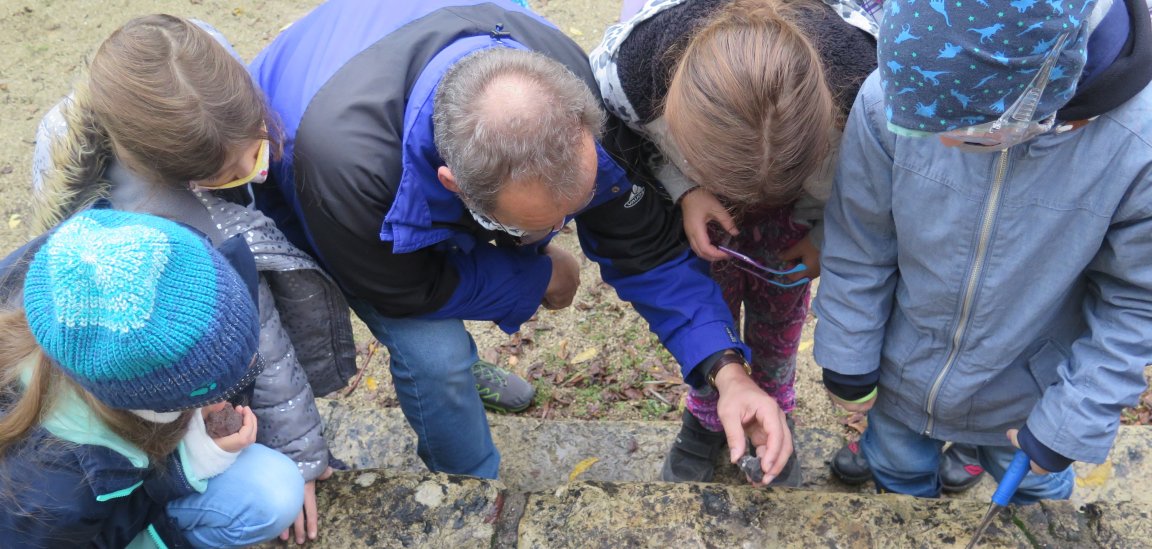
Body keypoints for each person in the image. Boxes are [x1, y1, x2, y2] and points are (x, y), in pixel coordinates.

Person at [249, 0, 791, 485]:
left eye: (572, 213)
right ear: (454, 186)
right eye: (532, 226)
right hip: (314, 167)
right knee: (435, 356)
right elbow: (402, 288)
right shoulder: (342, 175)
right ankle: (469, 486)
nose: (559, 233)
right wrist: (537, 276)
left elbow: (645, 248)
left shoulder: (570, 85)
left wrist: (726, 370)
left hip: (407, 89)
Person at [590, 0, 983, 489]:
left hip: (800, 215)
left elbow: (870, 187)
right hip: (703, 209)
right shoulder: (631, 75)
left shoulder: (873, 91)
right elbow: (629, 139)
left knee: (781, 312)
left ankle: (775, 403)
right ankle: (707, 413)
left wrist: (824, 234)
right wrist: (684, 186)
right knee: (709, 299)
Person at [28, 15, 358, 544]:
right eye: (234, 173)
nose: (261, 170)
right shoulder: (198, 233)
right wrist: (291, 458)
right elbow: (263, 342)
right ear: (175, 171)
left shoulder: (189, 79)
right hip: (144, 434)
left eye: (258, 147)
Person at [814, 0, 1152, 501]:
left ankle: (975, 457)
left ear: (1038, 103)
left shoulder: (1138, 148)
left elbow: (1136, 300)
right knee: (898, 469)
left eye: (968, 135)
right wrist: (848, 351)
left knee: (1033, 499)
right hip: (904, 378)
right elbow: (859, 235)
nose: (942, 144)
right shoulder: (891, 94)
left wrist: (1071, 423)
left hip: (1029, 403)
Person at [0, 209, 303, 548]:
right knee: (271, 493)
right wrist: (187, 468)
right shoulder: (46, 495)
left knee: (274, 485)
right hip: (82, 527)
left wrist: (198, 414)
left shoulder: (144, 253)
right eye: (207, 388)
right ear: (154, 400)